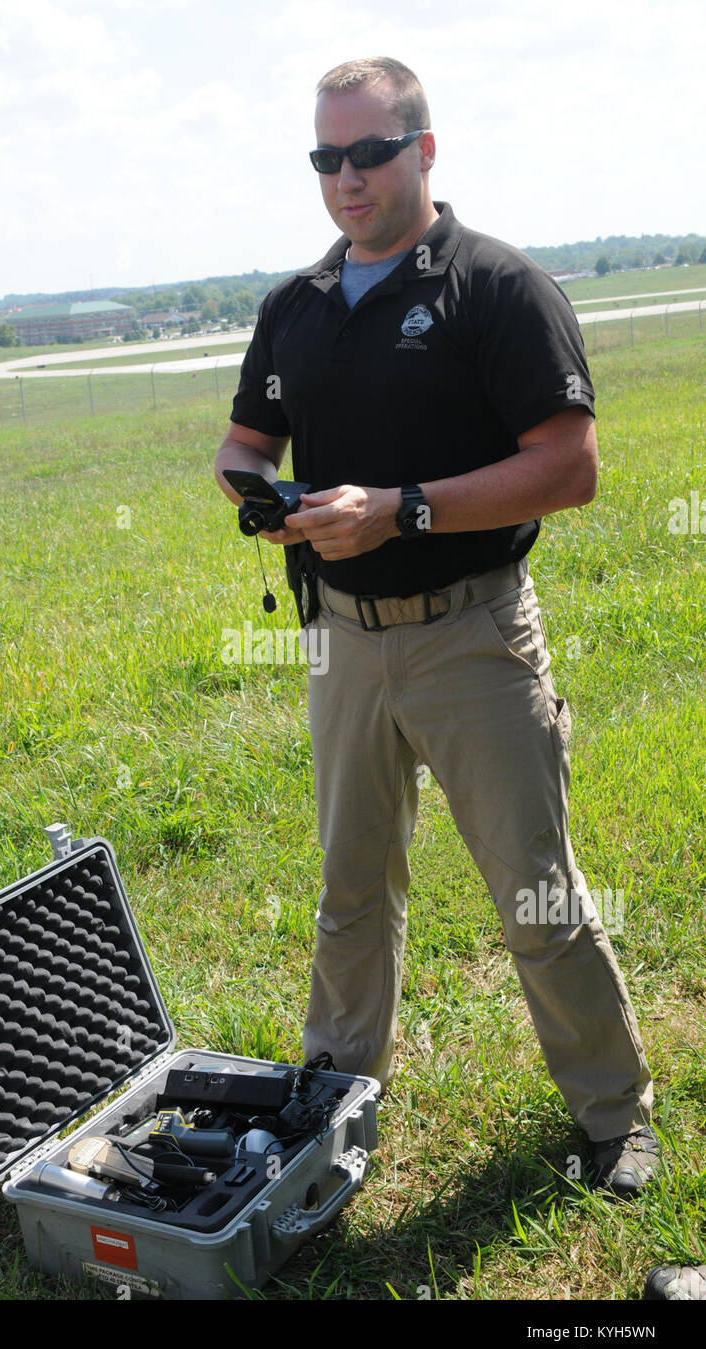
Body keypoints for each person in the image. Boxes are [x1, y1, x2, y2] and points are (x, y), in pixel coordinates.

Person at [214, 56, 659, 1196]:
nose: (345, 178)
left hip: (472, 635)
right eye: (325, 157)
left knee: (533, 890)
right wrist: (256, 497)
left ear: (422, 149)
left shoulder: (496, 286)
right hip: (343, 643)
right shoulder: (296, 306)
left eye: (368, 152)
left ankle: (615, 1116)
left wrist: (401, 509)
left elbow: (569, 467)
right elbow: (245, 443)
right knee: (350, 890)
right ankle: (332, 1108)